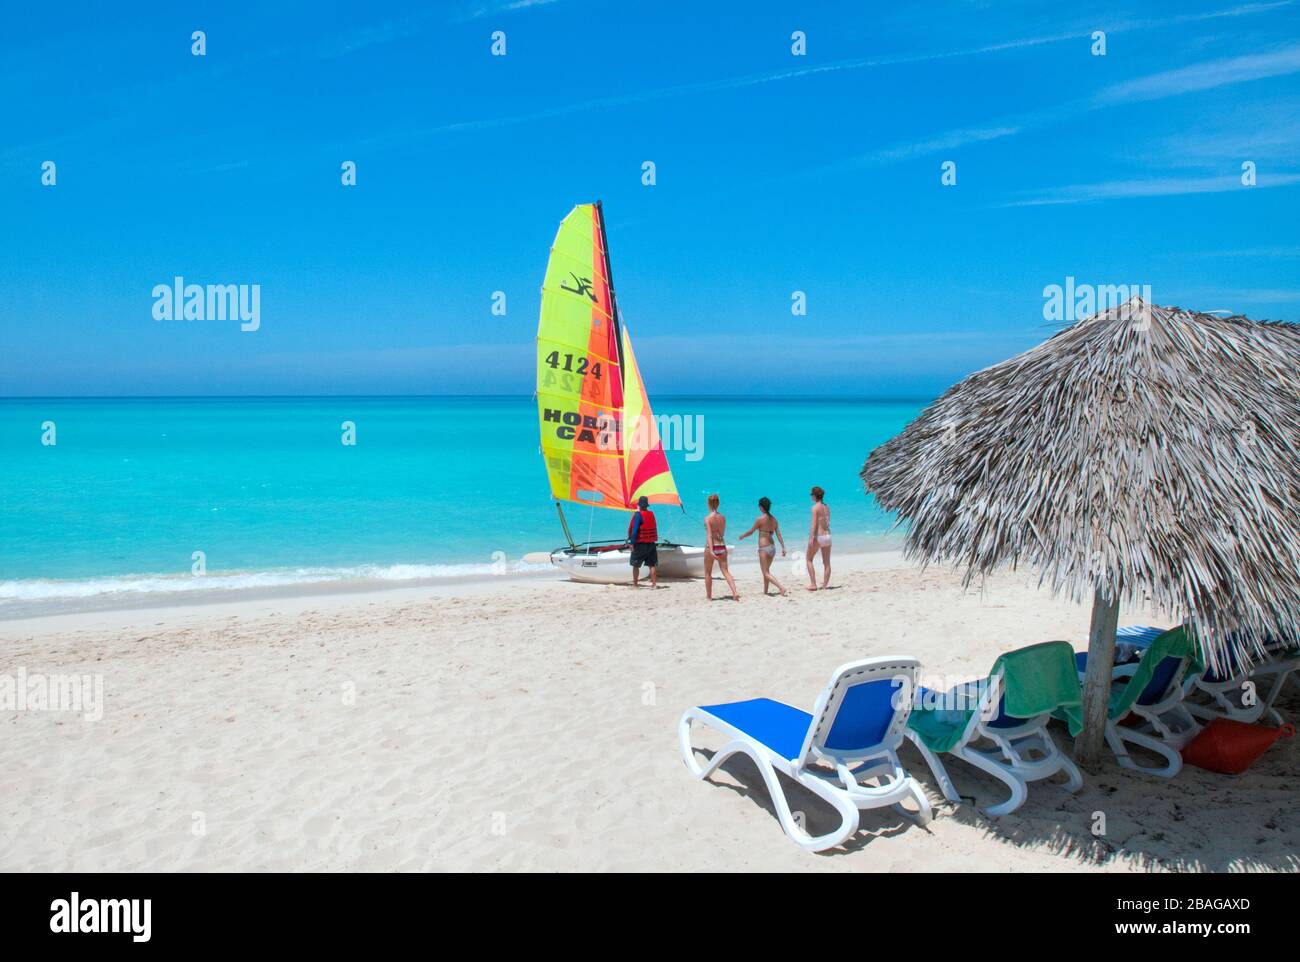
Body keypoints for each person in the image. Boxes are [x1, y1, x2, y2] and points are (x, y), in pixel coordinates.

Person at [739, 496, 788, 596]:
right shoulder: (774, 520)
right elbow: (778, 534)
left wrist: (743, 536)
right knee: (766, 571)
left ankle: (781, 588)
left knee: (765, 572)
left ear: (761, 507)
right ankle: (765, 591)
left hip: (764, 548)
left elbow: (751, 531)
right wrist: (783, 547)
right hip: (772, 548)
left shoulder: (760, 519)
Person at [703, 493, 739, 601]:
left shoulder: (707, 518)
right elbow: (722, 533)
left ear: (708, 504)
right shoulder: (722, 517)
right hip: (721, 546)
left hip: (711, 546)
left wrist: (711, 550)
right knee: (726, 571)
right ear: (718, 503)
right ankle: (735, 592)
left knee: (708, 573)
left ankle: (709, 597)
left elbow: (709, 535)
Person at [626, 495, 658, 588]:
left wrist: (632, 543)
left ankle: (635, 585)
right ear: (647, 505)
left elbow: (634, 530)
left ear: (639, 505)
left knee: (635, 565)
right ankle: (654, 585)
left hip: (640, 544)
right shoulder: (651, 514)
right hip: (651, 544)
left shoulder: (638, 515)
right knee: (652, 565)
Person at [805, 485, 832, 591]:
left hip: (819, 536)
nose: (811, 496)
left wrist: (812, 537)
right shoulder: (826, 507)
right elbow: (827, 522)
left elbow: (814, 524)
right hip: (827, 536)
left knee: (808, 559)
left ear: (815, 495)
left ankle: (813, 584)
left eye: (811, 494)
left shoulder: (815, 507)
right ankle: (825, 586)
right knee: (827, 562)